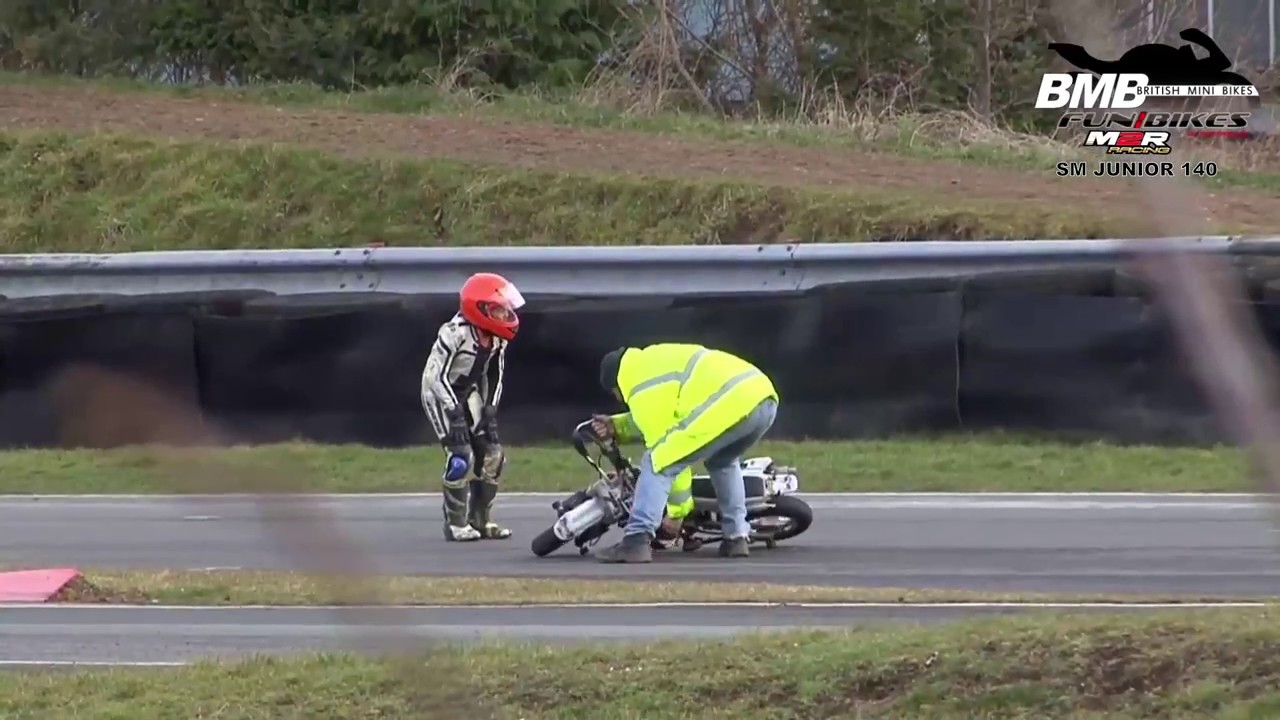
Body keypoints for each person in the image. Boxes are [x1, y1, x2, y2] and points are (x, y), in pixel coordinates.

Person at [590, 343, 779, 563]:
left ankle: (636, 540)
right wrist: (616, 426)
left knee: (657, 460)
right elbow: (664, 418)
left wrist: (677, 513)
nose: (617, 399)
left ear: (616, 384)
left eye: (614, 394)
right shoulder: (651, 364)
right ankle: (736, 536)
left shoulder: (639, 387)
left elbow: (667, 452)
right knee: (722, 461)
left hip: (730, 401)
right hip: (762, 398)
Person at [420, 272, 525, 542]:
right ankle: (455, 523)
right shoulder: (453, 333)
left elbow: (495, 374)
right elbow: (434, 377)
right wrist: (453, 413)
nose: (506, 315)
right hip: (439, 394)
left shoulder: (497, 339)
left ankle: (481, 520)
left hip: (469, 393)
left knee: (494, 455)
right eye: (499, 310)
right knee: (460, 457)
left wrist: (490, 409)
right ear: (480, 309)